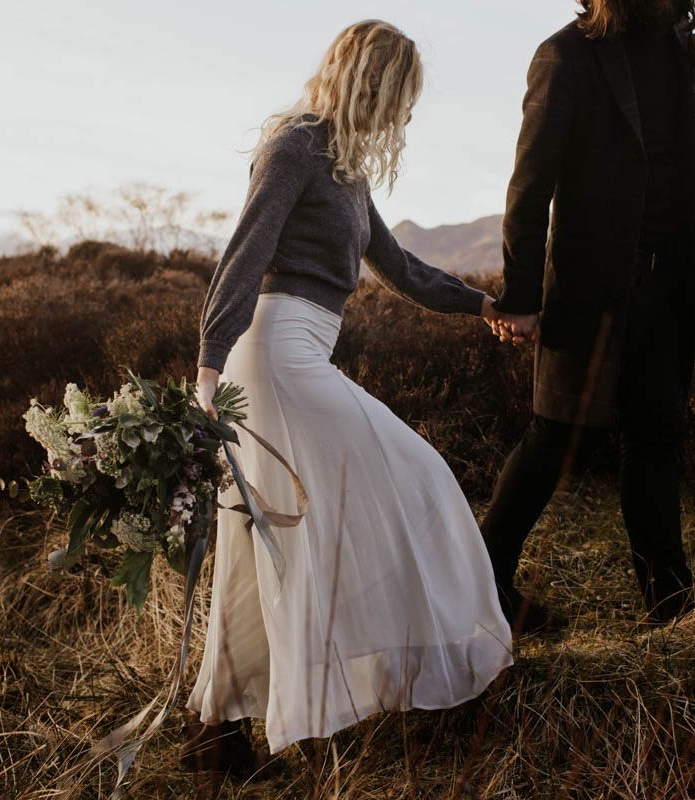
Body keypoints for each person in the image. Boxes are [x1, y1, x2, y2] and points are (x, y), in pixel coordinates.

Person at [183, 19, 514, 773]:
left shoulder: (346, 168)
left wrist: (483, 308)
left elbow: (400, 266)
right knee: (418, 475)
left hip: (298, 356)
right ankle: (394, 678)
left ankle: (218, 735)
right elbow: (245, 254)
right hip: (272, 359)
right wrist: (207, 367)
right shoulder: (297, 144)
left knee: (261, 546)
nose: (403, 114)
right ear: (371, 80)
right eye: (400, 96)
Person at [482, 0, 695, 633]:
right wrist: (521, 296)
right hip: (589, 290)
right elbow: (530, 185)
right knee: (555, 437)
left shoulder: (684, 50)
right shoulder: (565, 55)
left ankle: (671, 601)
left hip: (674, 287)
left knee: (657, 439)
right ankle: (484, 581)